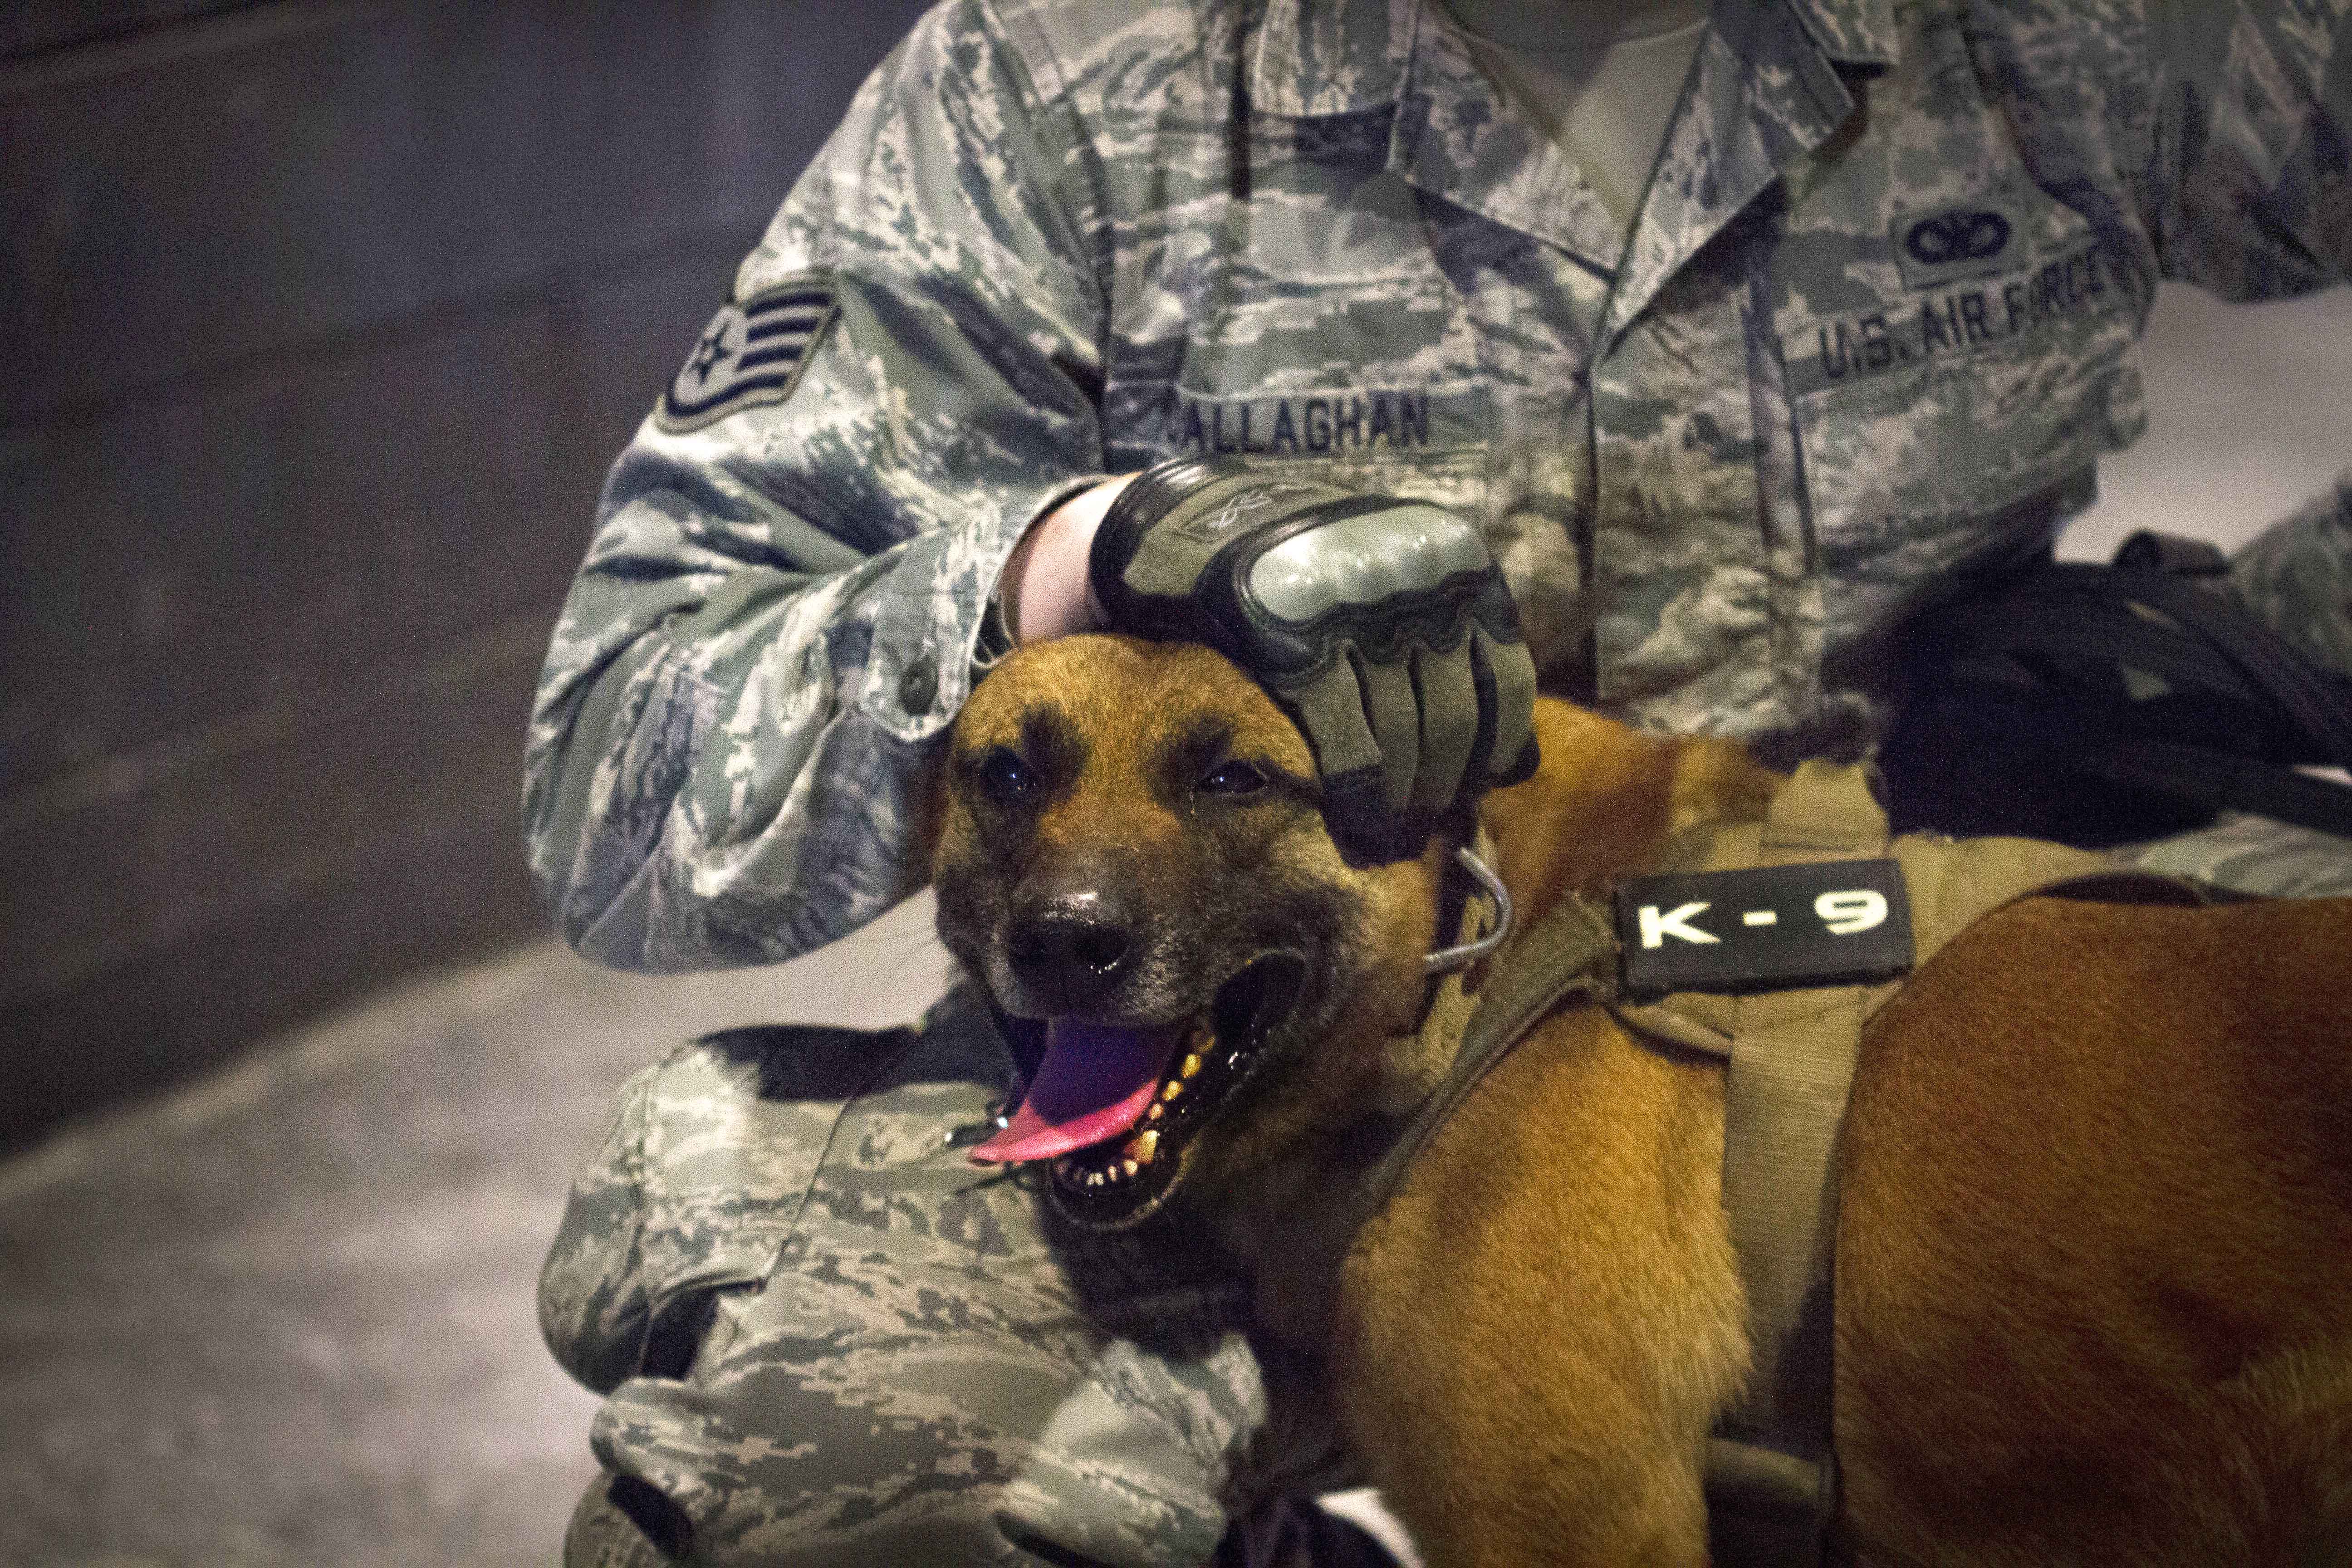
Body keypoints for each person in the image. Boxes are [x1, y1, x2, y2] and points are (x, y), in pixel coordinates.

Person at [529, 0, 2352, 1562]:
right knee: (829, 1484)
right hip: (1251, 1050)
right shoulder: (1072, 76)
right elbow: (622, 746)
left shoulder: (2068, 27)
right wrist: (1073, 560)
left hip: (1951, 908)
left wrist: (2278, 627)